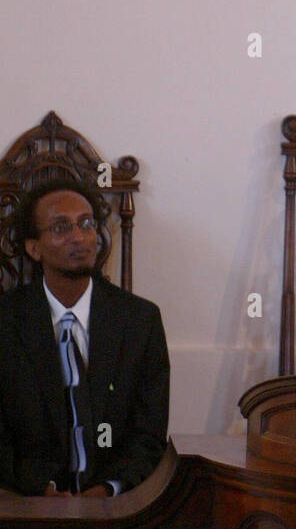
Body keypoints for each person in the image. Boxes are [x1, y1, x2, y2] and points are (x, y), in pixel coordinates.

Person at [0, 175, 169, 498]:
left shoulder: (139, 321)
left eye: (86, 224)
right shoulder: (7, 323)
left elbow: (148, 437)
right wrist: (41, 490)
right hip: (24, 505)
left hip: (116, 507)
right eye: (61, 228)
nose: (79, 237)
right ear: (34, 248)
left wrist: (107, 490)